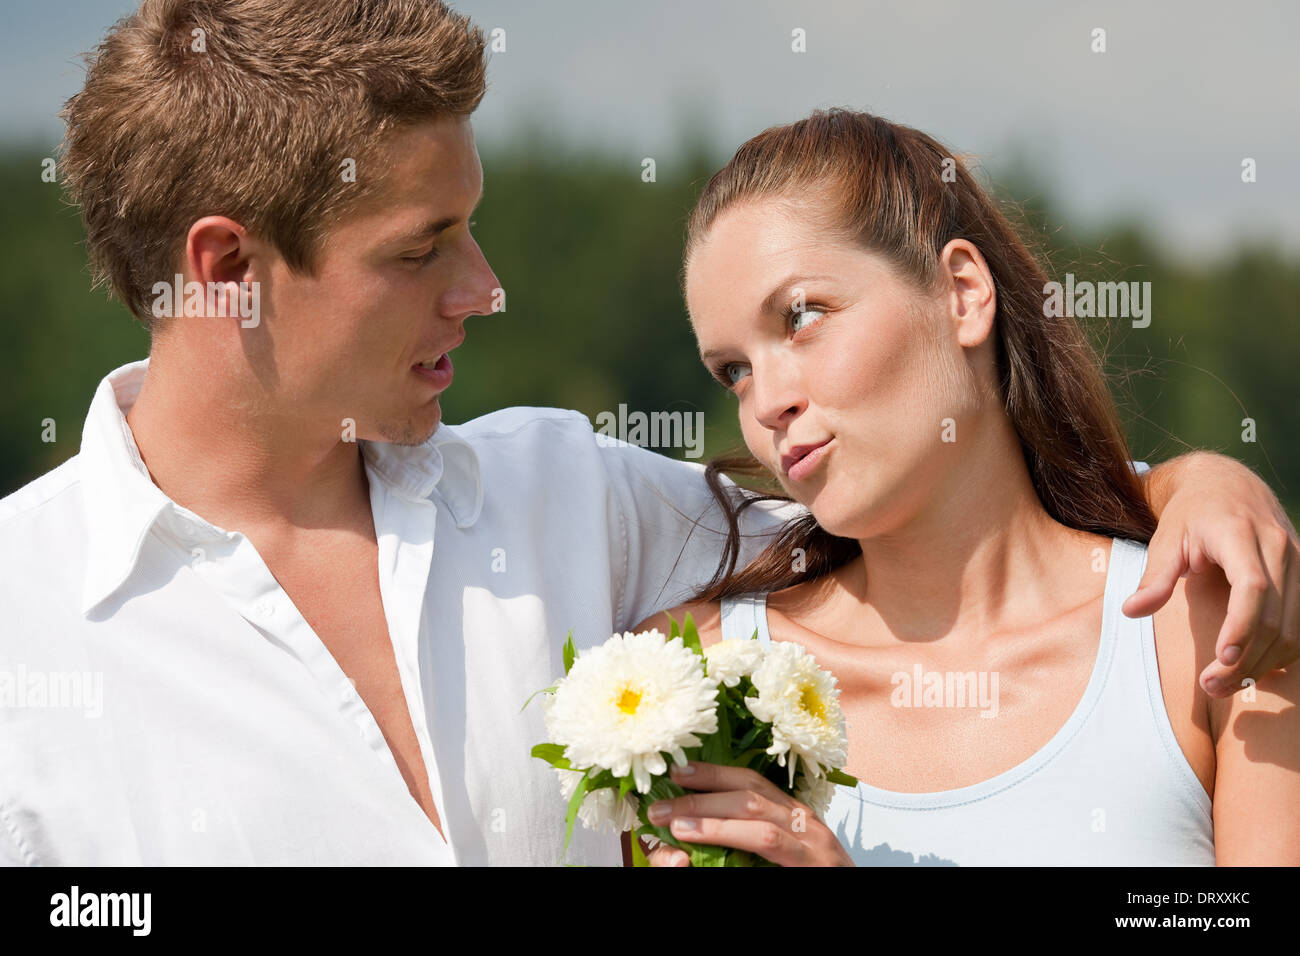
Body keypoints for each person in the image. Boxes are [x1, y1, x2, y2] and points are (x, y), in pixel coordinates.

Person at [0, 3, 1292, 866]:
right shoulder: (22, 632)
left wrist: (1189, 481)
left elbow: (939, 516)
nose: (483, 288)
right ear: (226, 269)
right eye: (420, 247)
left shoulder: (575, 500)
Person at [637, 109, 1300, 866]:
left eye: (802, 316)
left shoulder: (1213, 629)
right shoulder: (693, 684)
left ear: (962, 292)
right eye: (734, 370)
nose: (765, 403)